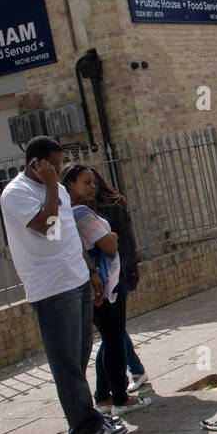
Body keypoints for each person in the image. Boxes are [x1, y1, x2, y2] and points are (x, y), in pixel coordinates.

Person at [0, 137, 126, 434]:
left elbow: (69, 234)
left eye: (59, 164)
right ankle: (83, 427)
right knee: (66, 361)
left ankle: (91, 417)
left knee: (80, 353)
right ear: (35, 164)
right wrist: (53, 186)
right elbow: (49, 226)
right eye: (52, 165)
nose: (58, 170)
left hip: (77, 279)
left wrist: (91, 273)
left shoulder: (59, 190)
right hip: (51, 287)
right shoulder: (16, 193)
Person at [62, 164, 151, 418]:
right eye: (86, 182)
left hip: (92, 282)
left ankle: (103, 395)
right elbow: (110, 246)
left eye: (93, 182)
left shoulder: (68, 214)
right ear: (71, 185)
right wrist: (110, 236)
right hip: (106, 284)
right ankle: (121, 398)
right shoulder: (80, 213)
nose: (93, 187)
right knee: (113, 339)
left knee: (109, 338)